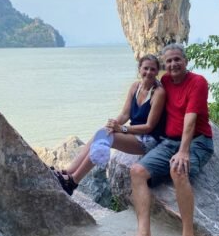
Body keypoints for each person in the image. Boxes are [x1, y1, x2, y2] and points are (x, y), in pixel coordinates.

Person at [114, 43, 213, 236]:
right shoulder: (165, 82)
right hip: (168, 142)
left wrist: (184, 151)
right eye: (168, 61)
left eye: (177, 59)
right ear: (164, 67)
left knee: (178, 169)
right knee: (137, 171)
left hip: (198, 142)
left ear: (186, 61)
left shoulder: (198, 82)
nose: (173, 64)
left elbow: (190, 120)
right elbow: (148, 98)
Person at [53, 54, 166, 196]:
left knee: (106, 139)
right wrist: (113, 124)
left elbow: (149, 126)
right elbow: (125, 114)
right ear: (139, 69)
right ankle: (68, 172)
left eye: (152, 69)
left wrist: (122, 129)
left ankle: (73, 181)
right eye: (145, 68)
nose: (148, 72)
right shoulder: (135, 87)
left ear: (157, 72)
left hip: (148, 139)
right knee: (101, 133)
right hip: (134, 134)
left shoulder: (158, 93)